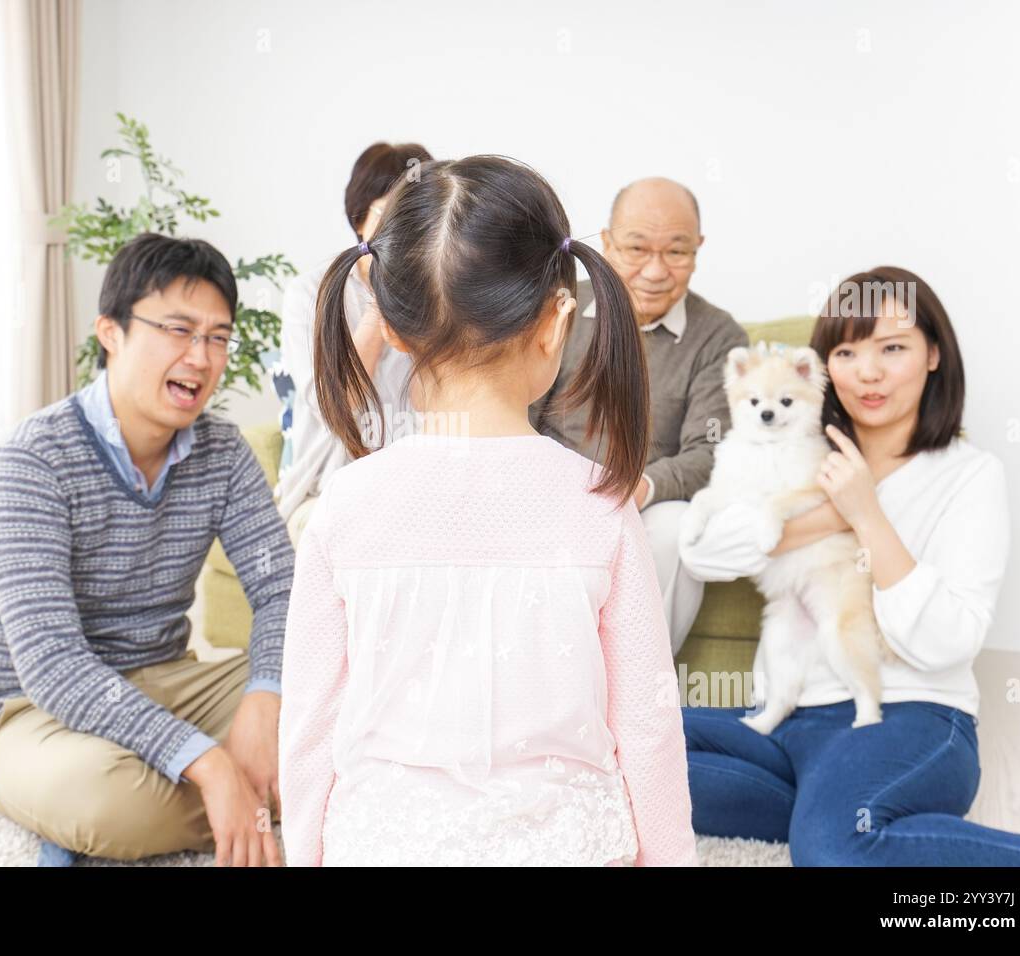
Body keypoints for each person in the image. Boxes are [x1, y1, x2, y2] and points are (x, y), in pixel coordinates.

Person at [276, 155, 698, 867]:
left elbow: (310, 726)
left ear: (398, 329)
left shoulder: (345, 504)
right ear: (556, 323)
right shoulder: (600, 500)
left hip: (383, 848)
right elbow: (648, 723)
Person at [679, 266, 1020, 865]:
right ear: (826, 366)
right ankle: (827, 804)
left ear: (934, 354)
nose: (869, 372)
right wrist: (826, 516)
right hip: (784, 720)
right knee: (634, 742)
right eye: (848, 351)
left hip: (909, 715)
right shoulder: (795, 449)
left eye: (893, 348)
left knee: (835, 851)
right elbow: (701, 553)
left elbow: (947, 641)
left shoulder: (969, 474)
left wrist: (867, 516)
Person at [0, 233, 295, 866]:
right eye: (178, 329)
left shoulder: (224, 454)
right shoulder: (29, 462)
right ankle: (260, 792)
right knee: (100, 799)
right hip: (33, 712)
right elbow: (53, 664)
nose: (201, 357)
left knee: (341, 696)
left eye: (218, 337)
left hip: (167, 678)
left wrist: (266, 695)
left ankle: (221, 783)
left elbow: (283, 590)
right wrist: (210, 764)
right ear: (110, 333)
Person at [531, 177, 748, 654]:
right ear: (606, 243)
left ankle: (637, 690)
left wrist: (638, 488)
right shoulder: (557, 307)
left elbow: (710, 451)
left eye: (677, 252)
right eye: (636, 249)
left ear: (699, 249)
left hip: (644, 507)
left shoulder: (719, 336)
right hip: (553, 497)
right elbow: (518, 415)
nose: (656, 271)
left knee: (675, 527)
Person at [275, 141, 432, 546]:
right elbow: (333, 403)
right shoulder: (311, 293)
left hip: (414, 489)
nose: (401, 231)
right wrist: (382, 302)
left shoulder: (437, 294)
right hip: (324, 488)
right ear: (359, 217)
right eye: (389, 214)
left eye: (414, 217)